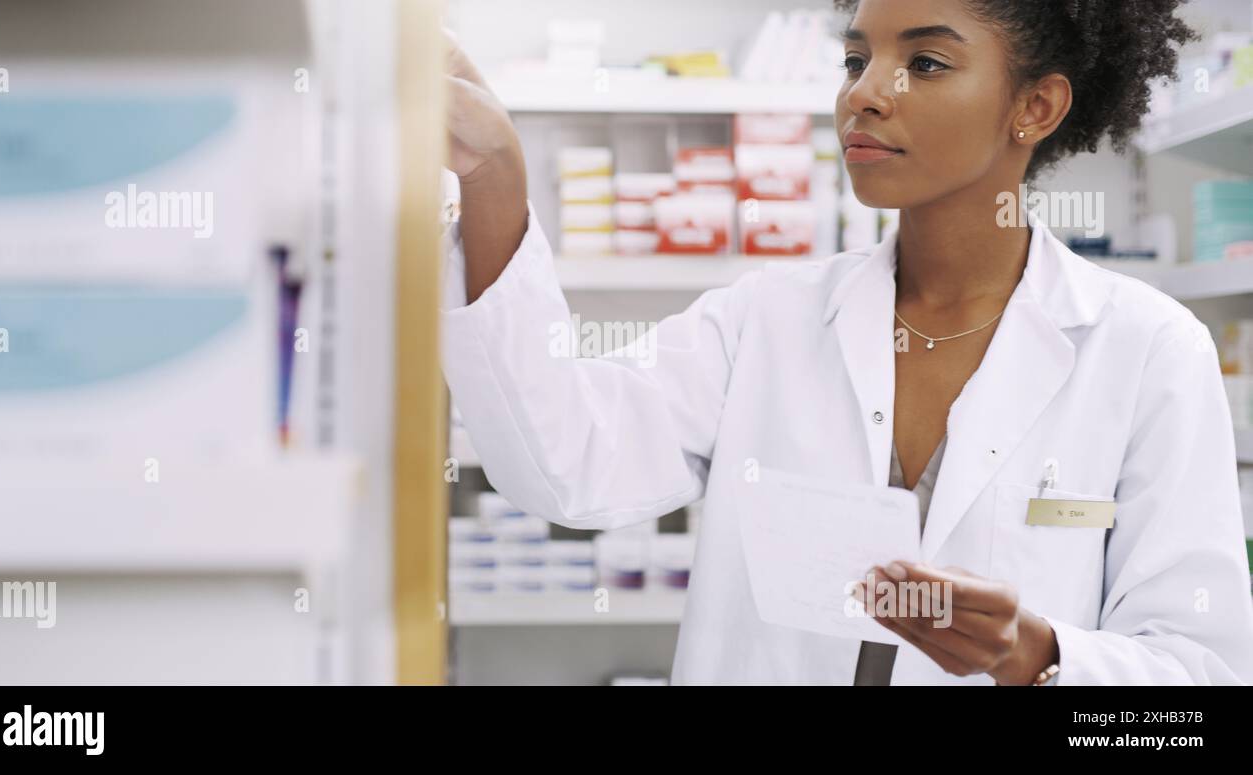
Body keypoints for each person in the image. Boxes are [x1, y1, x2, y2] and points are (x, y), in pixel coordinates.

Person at [439, 0, 1253, 684]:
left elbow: (1187, 700)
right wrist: (495, 176)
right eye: (856, 58)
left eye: (926, 63)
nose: (864, 94)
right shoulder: (766, 318)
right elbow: (565, 461)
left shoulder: (1148, 352)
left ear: (1034, 107)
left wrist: (1039, 656)